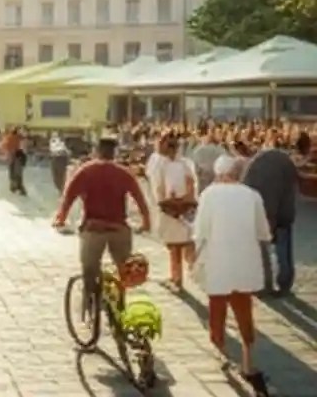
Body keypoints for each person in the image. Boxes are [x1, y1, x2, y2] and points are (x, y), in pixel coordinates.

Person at [194, 155, 271, 382]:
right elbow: (263, 231)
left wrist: (194, 253)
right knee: (244, 309)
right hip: (244, 260)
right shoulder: (252, 196)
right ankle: (248, 361)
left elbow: (201, 230)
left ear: (218, 173)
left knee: (217, 307)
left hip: (218, 259)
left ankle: (221, 350)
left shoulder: (209, 195)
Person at [52, 137, 152, 299]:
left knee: (89, 268)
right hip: (118, 228)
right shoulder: (124, 173)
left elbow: (68, 197)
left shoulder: (85, 171)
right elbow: (140, 200)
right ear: (114, 153)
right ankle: (119, 304)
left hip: (93, 228)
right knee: (123, 269)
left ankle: (91, 301)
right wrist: (146, 222)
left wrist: (60, 218)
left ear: (97, 151)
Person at [242, 136, 299, 297]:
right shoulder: (286, 162)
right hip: (284, 213)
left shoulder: (257, 165)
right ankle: (285, 282)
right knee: (284, 250)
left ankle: (265, 283)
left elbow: (251, 190)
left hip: (264, 213)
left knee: (263, 252)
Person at [147, 132, 196, 290]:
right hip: (172, 207)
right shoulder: (164, 162)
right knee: (175, 245)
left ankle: (179, 277)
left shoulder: (180, 163)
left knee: (179, 245)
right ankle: (177, 276)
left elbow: (191, 184)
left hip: (177, 207)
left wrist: (178, 203)